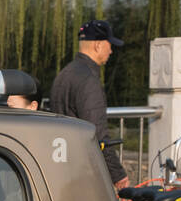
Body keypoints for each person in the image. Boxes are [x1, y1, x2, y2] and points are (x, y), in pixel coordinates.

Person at [49, 19, 127, 189]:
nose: (111, 51)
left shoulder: (64, 74)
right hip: (82, 171)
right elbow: (97, 135)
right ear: (98, 45)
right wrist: (118, 176)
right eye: (109, 44)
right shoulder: (88, 80)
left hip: (62, 166)